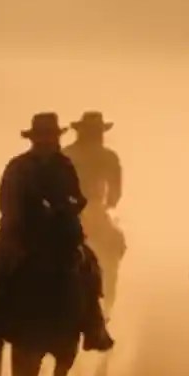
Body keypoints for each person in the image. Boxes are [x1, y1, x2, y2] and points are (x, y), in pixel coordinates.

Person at [0, 112, 114, 352]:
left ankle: (95, 327)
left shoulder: (65, 165)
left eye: (51, 137)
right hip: (20, 234)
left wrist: (68, 209)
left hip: (60, 236)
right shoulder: (18, 166)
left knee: (89, 267)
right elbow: (5, 201)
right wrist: (27, 216)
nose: (48, 142)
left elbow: (79, 197)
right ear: (34, 140)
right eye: (43, 137)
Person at [63, 111, 125, 300]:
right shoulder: (107, 156)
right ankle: (105, 300)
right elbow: (115, 193)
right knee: (115, 246)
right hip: (91, 208)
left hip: (68, 209)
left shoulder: (67, 154)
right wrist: (108, 204)